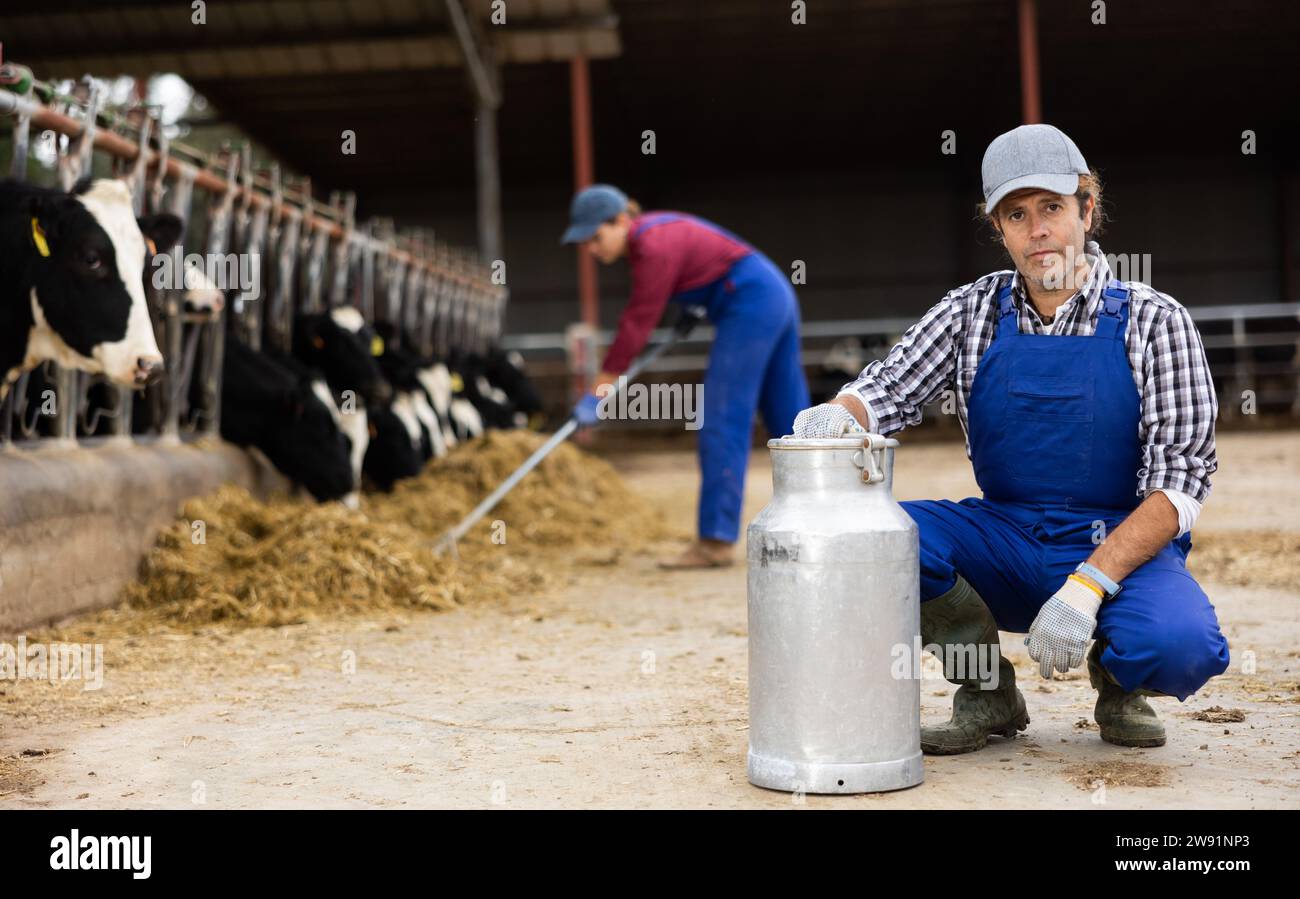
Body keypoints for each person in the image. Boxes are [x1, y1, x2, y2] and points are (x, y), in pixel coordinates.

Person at [793, 124, 1229, 753]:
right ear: (998, 228)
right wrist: (840, 414)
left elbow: (1182, 483)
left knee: (1180, 645)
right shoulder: (972, 311)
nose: (1037, 230)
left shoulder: (1157, 321)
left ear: (1087, 207)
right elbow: (887, 390)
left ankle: (1120, 680)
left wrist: (1086, 587)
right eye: (1016, 214)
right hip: (1006, 537)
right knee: (875, 540)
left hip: (1118, 537)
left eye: (1052, 207)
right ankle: (986, 692)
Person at [563, 185, 810, 569]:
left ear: (620, 221)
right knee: (790, 419)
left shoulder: (652, 245)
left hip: (751, 301)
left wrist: (600, 389)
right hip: (770, 292)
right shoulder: (652, 235)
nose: (593, 250)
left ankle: (714, 542)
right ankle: (820, 522)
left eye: (596, 237)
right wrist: (697, 302)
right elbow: (707, 266)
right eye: (586, 244)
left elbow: (636, 323)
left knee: (721, 417)